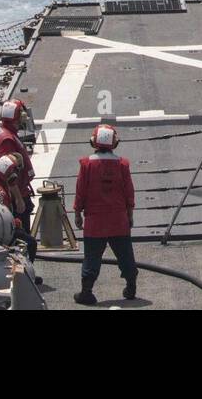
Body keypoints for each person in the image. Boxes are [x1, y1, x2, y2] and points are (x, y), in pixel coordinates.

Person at [72, 124, 138, 305]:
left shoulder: (86, 164)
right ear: (114, 143)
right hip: (119, 219)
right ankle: (131, 287)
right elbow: (128, 192)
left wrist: (77, 213)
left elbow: (80, 192)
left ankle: (86, 292)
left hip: (95, 221)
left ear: (93, 142)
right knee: (125, 255)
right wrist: (130, 215)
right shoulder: (122, 164)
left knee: (92, 257)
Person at [0, 99, 37, 254]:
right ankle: (25, 271)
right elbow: (7, 170)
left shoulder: (2, 131)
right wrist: (18, 198)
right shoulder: (7, 139)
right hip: (15, 195)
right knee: (23, 240)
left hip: (16, 192)